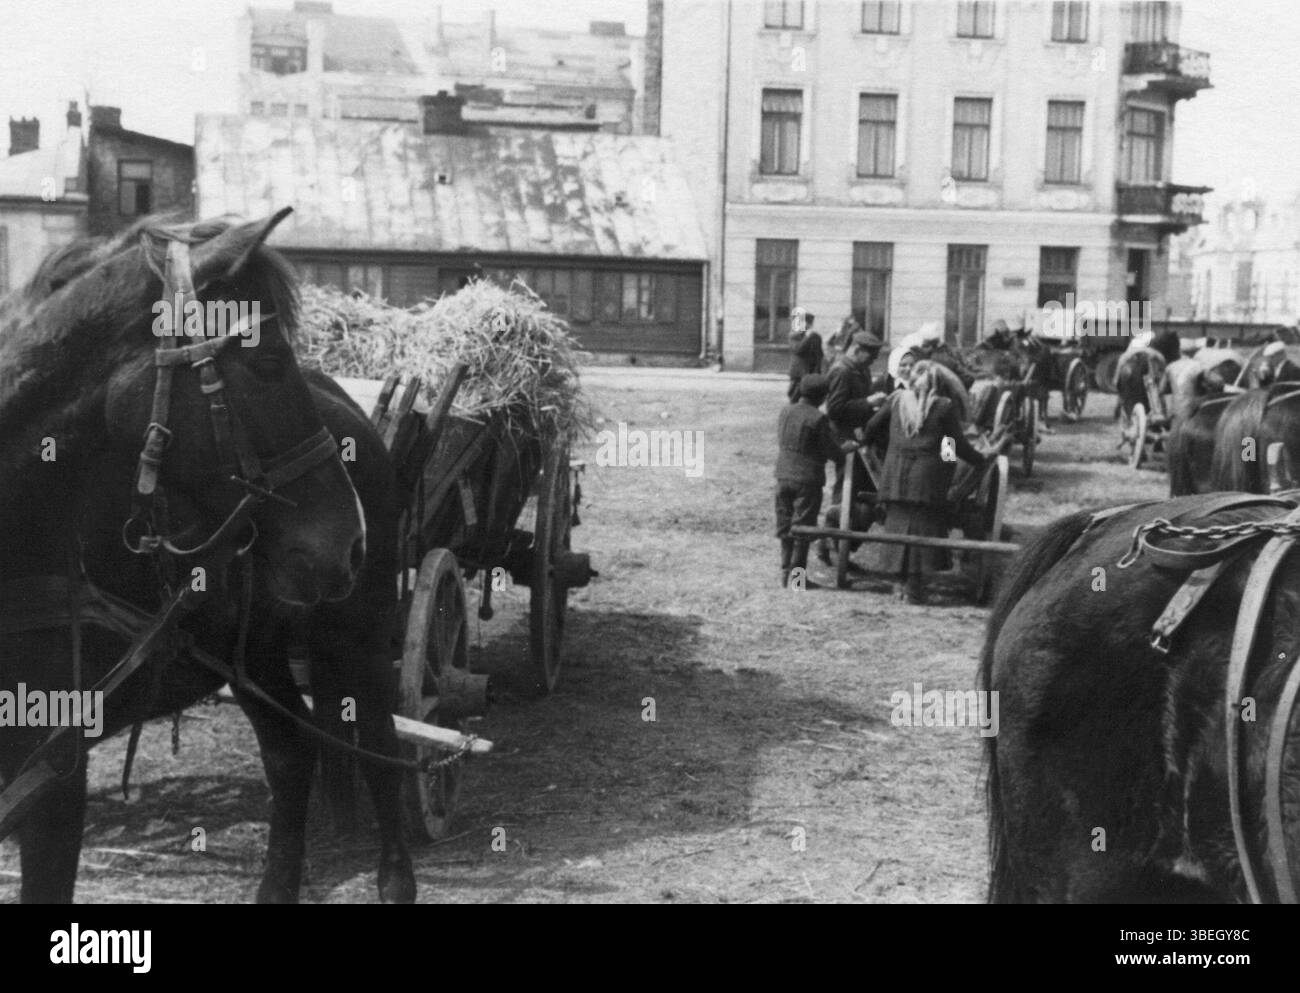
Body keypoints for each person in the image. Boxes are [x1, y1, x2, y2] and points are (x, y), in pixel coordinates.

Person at [864, 361, 987, 604]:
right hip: (927, 478)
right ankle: (914, 586)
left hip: (895, 475)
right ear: (938, 386)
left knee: (897, 523)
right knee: (923, 528)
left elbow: (871, 427)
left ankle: (898, 584)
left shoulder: (896, 400)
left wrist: (888, 446)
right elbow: (955, 444)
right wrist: (979, 460)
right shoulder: (943, 406)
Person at [775, 374, 857, 589]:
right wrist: (846, 449)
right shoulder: (818, 418)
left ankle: (785, 574)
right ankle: (798, 581)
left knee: (785, 526)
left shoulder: (786, 410)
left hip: (782, 475)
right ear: (822, 397)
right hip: (807, 480)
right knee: (803, 530)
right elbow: (832, 452)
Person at [786, 308, 824, 402]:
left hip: (811, 372)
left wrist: (818, 371)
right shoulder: (794, 336)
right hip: (798, 373)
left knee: (811, 398)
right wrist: (808, 336)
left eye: (810, 323)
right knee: (794, 398)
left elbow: (819, 355)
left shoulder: (815, 336)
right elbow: (798, 350)